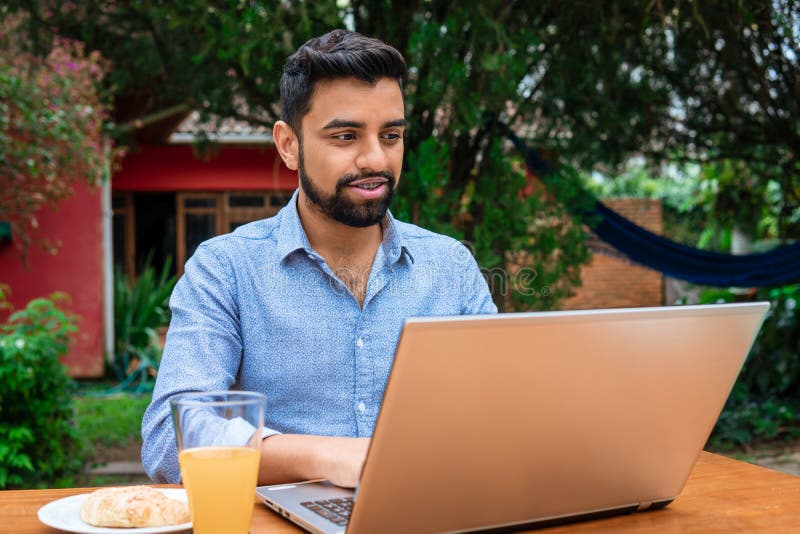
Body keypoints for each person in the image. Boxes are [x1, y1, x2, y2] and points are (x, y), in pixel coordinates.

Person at [141, 29, 497, 487]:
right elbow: (172, 439)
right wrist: (327, 456)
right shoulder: (225, 270)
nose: (375, 159)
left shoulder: (451, 267)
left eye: (391, 135)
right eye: (346, 136)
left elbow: (495, 415)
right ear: (289, 145)